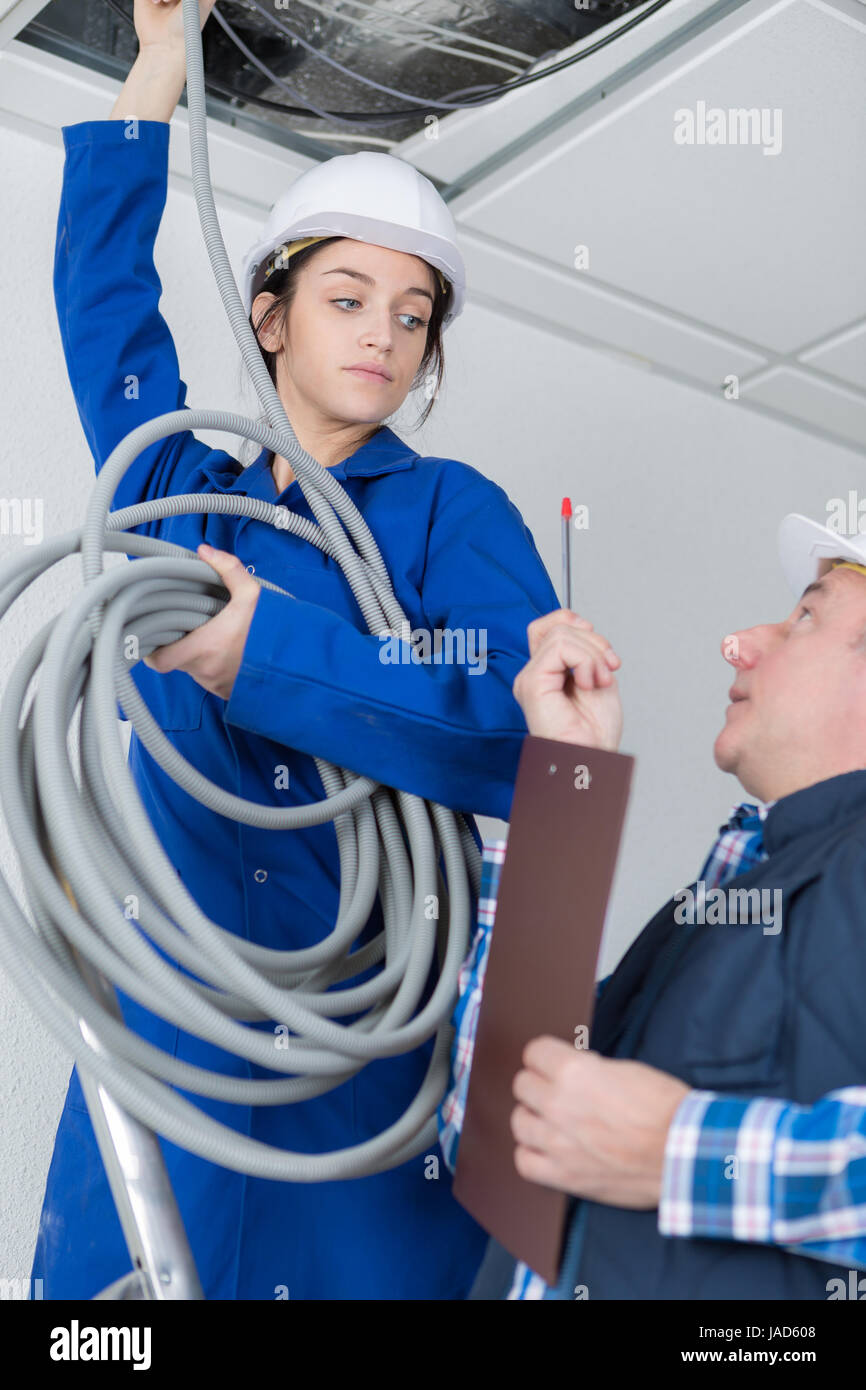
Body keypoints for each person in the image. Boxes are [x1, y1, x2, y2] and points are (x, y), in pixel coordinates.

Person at [30, 0, 560, 1300]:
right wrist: (161, 63)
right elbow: (104, 300)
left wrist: (257, 648)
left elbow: (512, 726)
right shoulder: (180, 491)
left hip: (363, 1052)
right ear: (269, 317)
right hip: (171, 1021)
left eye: (412, 312)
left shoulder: (450, 511)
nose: (382, 331)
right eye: (345, 296)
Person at [440, 513, 866, 1299]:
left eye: (805, 616)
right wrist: (569, 782)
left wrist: (676, 1149)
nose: (738, 641)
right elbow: (497, 1135)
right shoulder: (720, 903)